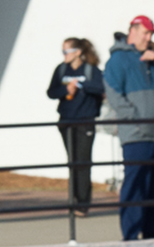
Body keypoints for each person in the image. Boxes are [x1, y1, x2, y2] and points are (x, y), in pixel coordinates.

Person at [104, 15, 154, 241]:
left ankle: (153, 233)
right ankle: (131, 234)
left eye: (150, 34)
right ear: (132, 31)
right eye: (145, 33)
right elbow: (115, 95)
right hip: (135, 134)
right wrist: (134, 119)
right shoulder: (117, 61)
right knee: (134, 184)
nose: (148, 38)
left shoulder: (152, 58)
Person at [49, 38, 104, 215]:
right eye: (62, 52)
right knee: (72, 161)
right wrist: (66, 91)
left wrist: (81, 84)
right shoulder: (61, 69)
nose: (64, 55)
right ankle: (73, 201)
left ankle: (83, 203)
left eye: (67, 51)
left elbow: (101, 87)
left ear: (78, 52)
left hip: (85, 120)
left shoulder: (90, 70)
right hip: (66, 121)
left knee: (83, 161)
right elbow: (51, 92)